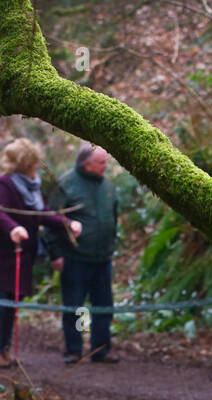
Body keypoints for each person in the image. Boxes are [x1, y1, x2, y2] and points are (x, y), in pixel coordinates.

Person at [0, 138, 81, 368]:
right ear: (27, 164)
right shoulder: (3, 185)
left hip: (15, 256)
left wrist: (67, 223)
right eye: (34, 163)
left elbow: (42, 214)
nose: (37, 167)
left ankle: (5, 349)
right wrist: (13, 227)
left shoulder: (31, 187)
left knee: (11, 301)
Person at [44, 143, 120, 364]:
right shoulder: (66, 185)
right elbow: (50, 221)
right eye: (102, 162)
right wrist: (55, 254)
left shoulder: (108, 186)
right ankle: (73, 349)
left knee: (104, 306)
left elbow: (113, 216)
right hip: (75, 258)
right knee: (74, 307)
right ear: (87, 164)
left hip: (102, 258)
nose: (106, 166)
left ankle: (101, 348)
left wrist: (112, 242)